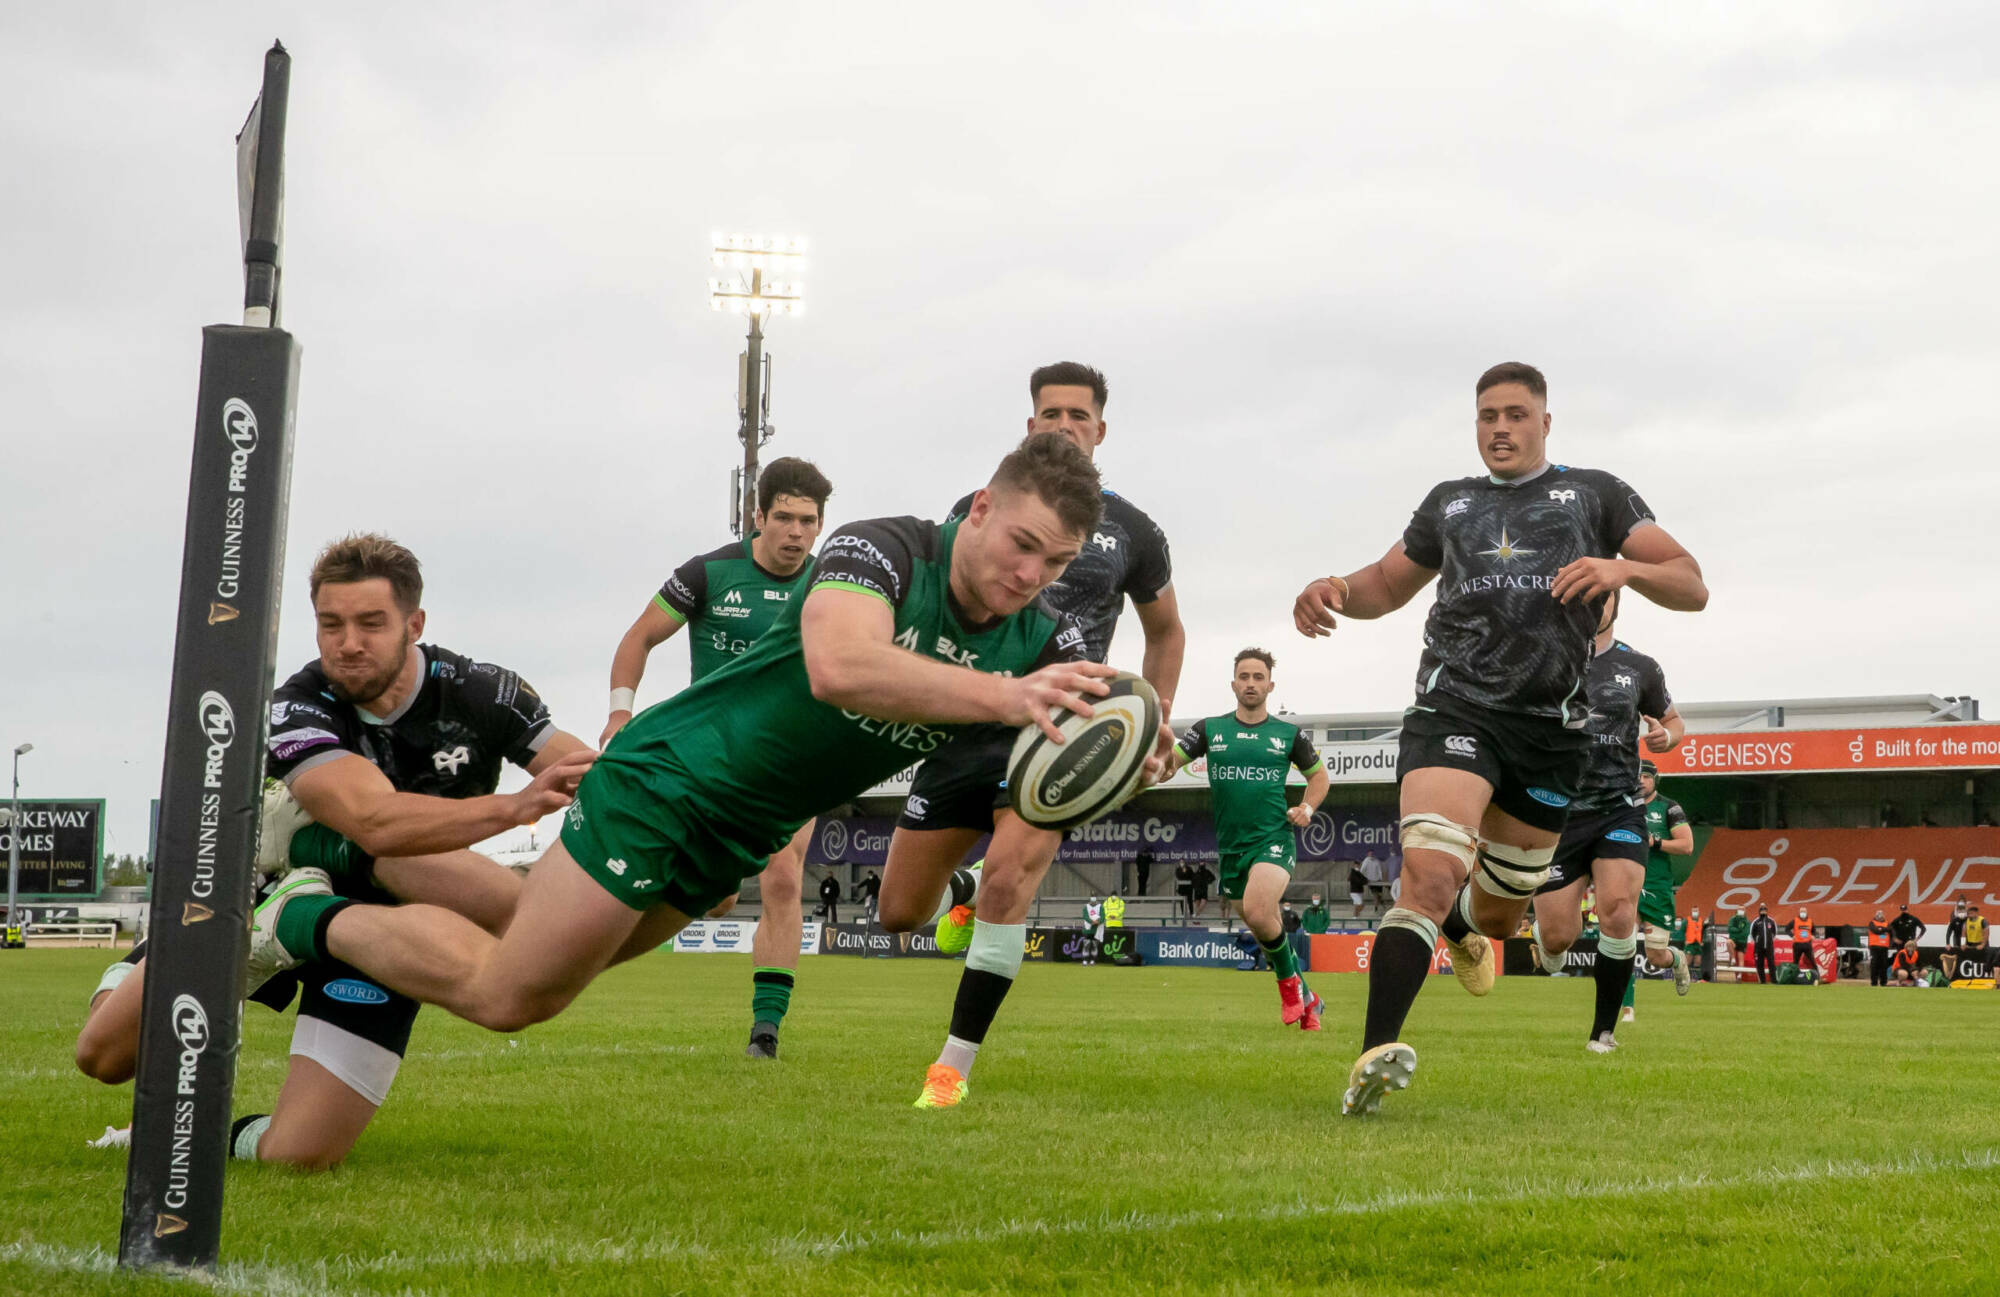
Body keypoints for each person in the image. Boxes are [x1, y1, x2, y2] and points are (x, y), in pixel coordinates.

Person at [244, 437, 1173, 1084]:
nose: (1028, 575)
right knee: (509, 993)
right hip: (674, 778)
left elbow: (1082, 727)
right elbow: (841, 665)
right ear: (980, 510)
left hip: (743, 827)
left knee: (549, 942)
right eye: (1019, 545)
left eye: (1051, 565)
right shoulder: (883, 548)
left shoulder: (1040, 637)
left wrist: (1138, 744)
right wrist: (1010, 697)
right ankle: (304, 917)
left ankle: (341, 858)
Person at [78, 534, 594, 1169]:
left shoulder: (484, 692)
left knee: (299, 1155)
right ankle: (278, 908)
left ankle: (296, 930)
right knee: (102, 1055)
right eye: (331, 624)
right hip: (270, 883)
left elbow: (589, 774)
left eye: (371, 624)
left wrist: (680, 828)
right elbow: (374, 820)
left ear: (415, 624)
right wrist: (514, 807)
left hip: (379, 925)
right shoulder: (299, 703)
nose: (348, 642)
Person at [1293, 362, 1706, 1113]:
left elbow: (1690, 580)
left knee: (1499, 916)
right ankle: (1371, 1058)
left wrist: (1623, 567)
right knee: (1426, 872)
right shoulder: (1450, 504)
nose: (1501, 428)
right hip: (1456, 707)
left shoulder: (1597, 494)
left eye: (1517, 414)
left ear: (1547, 421)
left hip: (1551, 734)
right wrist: (1338, 590)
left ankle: (1461, 925)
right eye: (1488, 415)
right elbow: (1387, 583)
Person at [875, 363, 1185, 1111]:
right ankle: (960, 888)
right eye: (1050, 412)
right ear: (1030, 425)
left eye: (1079, 414)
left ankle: (949, 1070)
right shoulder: (978, 506)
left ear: (1101, 430)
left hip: (1060, 732)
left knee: (1013, 878)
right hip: (967, 721)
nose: (1064, 425)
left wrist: (1153, 717)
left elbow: (1167, 630)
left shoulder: (1136, 530)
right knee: (897, 913)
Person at [600, 457, 834, 1057]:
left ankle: (766, 1030)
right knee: (720, 893)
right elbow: (638, 636)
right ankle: (594, 938)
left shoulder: (834, 582)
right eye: (784, 517)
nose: (796, 533)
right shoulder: (709, 573)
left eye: (809, 521)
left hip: (794, 753)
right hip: (714, 749)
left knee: (783, 876)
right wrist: (620, 713)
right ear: (757, 516)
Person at [1524, 593, 1687, 1050]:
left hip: (1620, 807)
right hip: (1558, 811)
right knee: (1559, 938)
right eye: (1587, 596)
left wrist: (1665, 737)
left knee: (1618, 912)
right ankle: (1547, 942)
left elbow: (1674, 721)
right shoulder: (1543, 656)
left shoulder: (1640, 667)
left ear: (1617, 604)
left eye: (1605, 596)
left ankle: (1603, 1033)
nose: (1596, 604)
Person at [1165, 648, 1332, 1030]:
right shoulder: (1210, 729)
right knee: (1262, 926)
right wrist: (1156, 768)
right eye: (1245, 676)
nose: (1251, 683)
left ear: (1270, 685)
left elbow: (1319, 778)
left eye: (1259, 677)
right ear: (1233, 683)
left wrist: (1306, 808)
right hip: (1231, 848)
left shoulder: (1288, 735)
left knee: (1259, 912)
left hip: (1274, 838)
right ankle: (1311, 1000)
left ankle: (1289, 988)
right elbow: (1170, 763)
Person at [1749, 904, 1779, 984]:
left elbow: (1774, 933)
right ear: (1759, 911)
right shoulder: (1756, 922)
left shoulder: (1771, 921)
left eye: (1764, 910)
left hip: (1769, 946)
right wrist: (1757, 940)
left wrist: (1769, 940)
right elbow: (1752, 934)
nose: (1763, 911)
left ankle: (1773, 980)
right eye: (1762, 910)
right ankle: (1762, 981)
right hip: (1759, 947)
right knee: (1759, 964)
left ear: (1767, 911)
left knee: (1771, 964)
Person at [1866, 910, 1892, 986]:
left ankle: (1883, 982)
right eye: (1878, 916)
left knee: (1883, 965)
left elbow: (1889, 929)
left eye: (1881, 915)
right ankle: (1874, 982)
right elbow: (1875, 930)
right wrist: (1883, 930)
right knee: (1874, 965)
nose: (1879, 917)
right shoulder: (1872, 923)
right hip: (1874, 946)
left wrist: (1880, 929)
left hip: (1884, 947)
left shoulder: (1887, 923)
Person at [1943, 901, 1968, 979]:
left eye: (1962, 910)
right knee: (1957, 957)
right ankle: (1956, 974)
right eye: (1959, 910)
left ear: (1965, 911)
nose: (1961, 912)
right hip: (1957, 941)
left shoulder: (1969, 920)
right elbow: (1949, 932)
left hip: (1969, 942)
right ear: (1957, 911)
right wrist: (1947, 943)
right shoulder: (1954, 920)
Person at [1964, 905, 1988, 977]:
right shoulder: (1967, 920)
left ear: (1976, 913)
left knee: (1982, 962)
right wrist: (1965, 944)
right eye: (1969, 913)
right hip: (1971, 944)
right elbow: (1965, 933)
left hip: (1980, 944)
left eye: (1971, 913)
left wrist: (1983, 944)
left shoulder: (1983, 920)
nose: (1969, 915)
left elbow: (1986, 933)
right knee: (1971, 961)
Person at [1081, 896, 1105, 966]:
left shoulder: (1100, 907)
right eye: (1092, 901)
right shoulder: (1086, 907)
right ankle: (1085, 960)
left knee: (1094, 945)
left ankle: (1092, 960)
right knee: (1086, 944)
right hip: (1087, 929)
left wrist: (1098, 921)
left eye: (1094, 901)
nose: (1093, 903)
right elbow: (1085, 916)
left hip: (1096, 929)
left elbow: (1103, 916)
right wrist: (1091, 921)